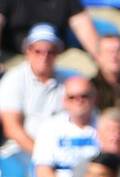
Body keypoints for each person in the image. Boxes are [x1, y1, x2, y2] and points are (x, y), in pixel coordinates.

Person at [0, 24, 71, 156]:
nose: (44, 56)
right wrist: (43, 156)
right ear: (28, 51)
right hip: (19, 151)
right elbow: (12, 128)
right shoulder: (13, 79)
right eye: (38, 51)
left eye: (50, 52)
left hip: (62, 151)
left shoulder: (70, 79)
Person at [31, 75, 99, 177]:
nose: (79, 101)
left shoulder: (105, 125)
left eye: (84, 96)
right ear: (64, 101)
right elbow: (43, 171)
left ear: (94, 98)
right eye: (72, 97)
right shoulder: (50, 127)